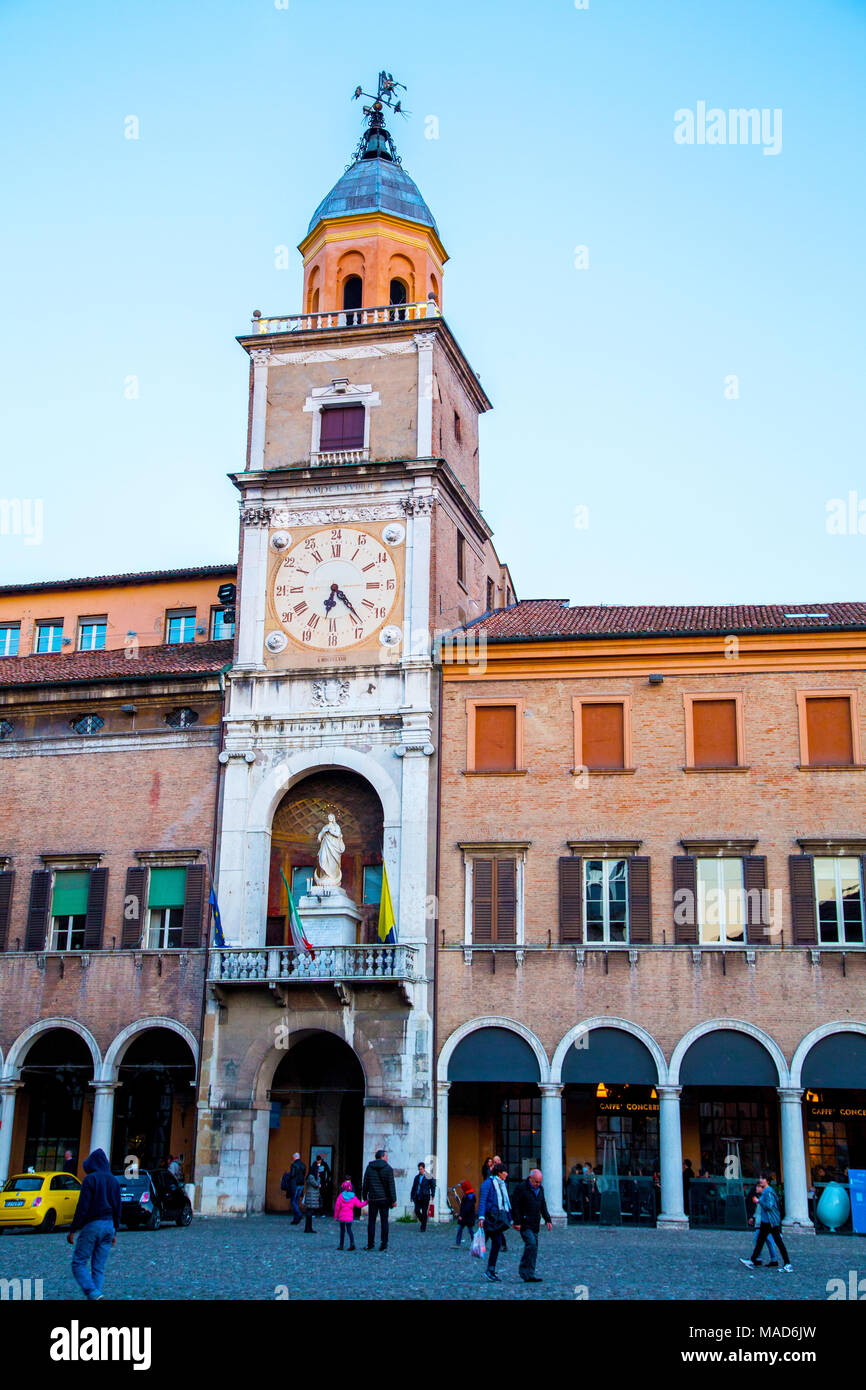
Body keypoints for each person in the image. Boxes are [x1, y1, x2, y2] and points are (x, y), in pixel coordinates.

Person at [67, 1148, 121, 1301]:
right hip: (109, 1226)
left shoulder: (90, 1180)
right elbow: (118, 1208)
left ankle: (93, 1292)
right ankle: (96, 1296)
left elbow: (82, 1207)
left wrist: (73, 1230)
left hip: (93, 1225)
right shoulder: (114, 1181)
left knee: (78, 1262)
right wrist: (115, 1232)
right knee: (98, 1268)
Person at [739, 1175, 793, 1273]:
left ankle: (787, 1263)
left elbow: (769, 1206)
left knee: (777, 1242)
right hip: (766, 1221)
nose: (761, 1180)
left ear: (767, 1181)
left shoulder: (768, 1192)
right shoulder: (766, 1192)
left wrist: (759, 1201)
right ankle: (753, 1260)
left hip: (770, 1221)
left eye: (762, 1179)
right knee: (761, 1241)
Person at [511, 1168, 552, 1283]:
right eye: (536, 1182)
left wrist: (548, 1219)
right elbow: (515, 1205)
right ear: (530, 1178)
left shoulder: (540, 1189)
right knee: (531, 1244)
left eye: (539, 1182)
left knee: (534, 1248)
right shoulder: (521, 1188)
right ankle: (524, 1270)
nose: (538, 1184)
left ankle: (530, 1274)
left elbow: (543, 1205)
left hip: (535, 1223)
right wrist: (517, 1221)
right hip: (525, 1223)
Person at [477, 1162, 512, 1282]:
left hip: (497, 1218)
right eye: (505, 1172)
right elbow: (483, 1200)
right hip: (489, 1218)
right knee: (493, 1242)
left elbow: (505, 1202)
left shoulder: (502, 1184)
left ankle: (490, 1269)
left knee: (496, 1242)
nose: (507, 1174)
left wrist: (510, 1217)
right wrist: (481, 1217)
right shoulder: (487, 1184)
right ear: (499, 1173)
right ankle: (489, 1269)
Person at [362, 1148, 397, 1251]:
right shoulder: (388, 1168)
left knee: (371, 1222)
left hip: (373, 1198)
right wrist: (393, 1200)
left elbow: (366, 1183)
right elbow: (391, 1185)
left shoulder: (369, 1167)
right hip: (384, 1199)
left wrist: (365, 1197)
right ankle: (384, 1243)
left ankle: (370, 1243)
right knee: (384, 1222)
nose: (387, 1158)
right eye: (386, 1156)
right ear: (382, 1157)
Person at [748, 1188, 781, 1267]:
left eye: (758, 1187)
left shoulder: (764, 1198)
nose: (757, 1188)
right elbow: (758, 1211)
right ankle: (772, 1259)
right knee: (767, 1241)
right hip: (762, 1223)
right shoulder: (762, 1198)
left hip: (764, 1223)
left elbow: (767, 1208)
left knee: (761, 1240)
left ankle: (759, 1259)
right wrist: (753, 1217)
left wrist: (759, 1201)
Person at [333, 1178, 367, 1250]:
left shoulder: (340, 1196)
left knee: (342, 1231)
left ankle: (341, 1245)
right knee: (349, 1230)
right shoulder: (353, 1197)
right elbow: (359, 1205)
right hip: (349, 1217)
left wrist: (335, 1216)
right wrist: (367, 1202)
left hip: (342, 1217)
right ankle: (352, 1244)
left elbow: (337, 1207)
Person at [410, 1161, 434, 1232]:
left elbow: (432, 1186)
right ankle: (424, 1222)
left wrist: (433, 1194)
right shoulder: (416, 1177)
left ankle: (423, 1227)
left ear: (424, 1169)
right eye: (419, 1169)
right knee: (417, 1210)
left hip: (425, 1196)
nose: (420, 1170)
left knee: (424, 1212)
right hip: (417, 1196)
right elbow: (413, 1187)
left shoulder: (428, 1177)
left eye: (421, 1169)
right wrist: (411, 1196)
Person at [284, 1153, 305, 1224]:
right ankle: (296, 1219)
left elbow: (292, 1175)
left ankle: (299, 1214)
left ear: (295, 1157)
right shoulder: (303, 1165)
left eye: (293, 1157)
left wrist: (287, 1176)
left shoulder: (293, 1165)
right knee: (296, 1202)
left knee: (293, 1201)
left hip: (295, 1185)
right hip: (301, 1185)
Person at [455, 1181, 477, 1246]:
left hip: (467, 1217)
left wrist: (461, 1215)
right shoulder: (469, 1195)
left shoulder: (469, 1196)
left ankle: (474, 1242)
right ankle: (458, 1243)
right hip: (468, 1216)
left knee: (469, 1230)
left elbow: (467, 1207)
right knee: (465, 1229)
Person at [303, 1159, 322, 1233]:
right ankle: (308, 1228)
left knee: (310, 1212)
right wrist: (319, 1178)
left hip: (312, 1196)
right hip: (311, 1196)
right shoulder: (311, 1177)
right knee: (309, 1212)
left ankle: (309, 1228)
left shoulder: (310, 1176)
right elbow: (316, 1184)